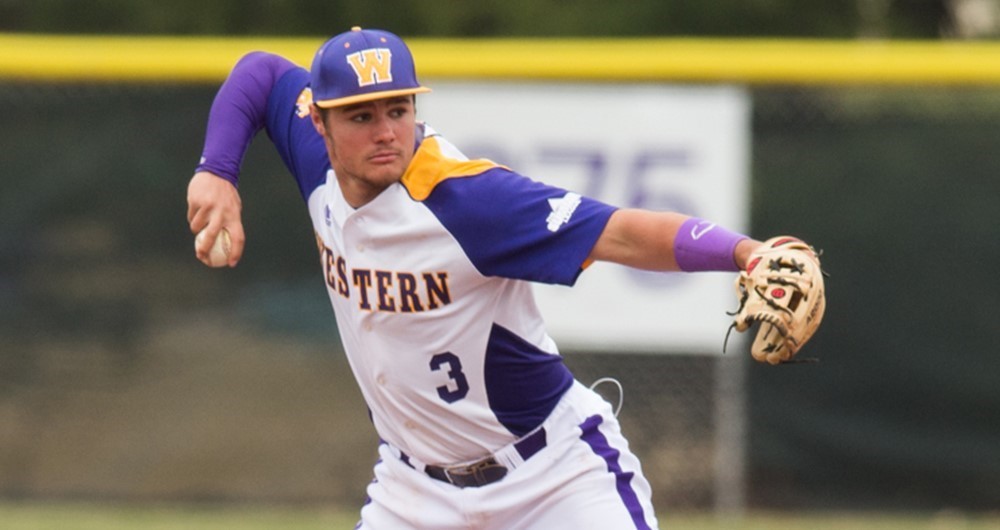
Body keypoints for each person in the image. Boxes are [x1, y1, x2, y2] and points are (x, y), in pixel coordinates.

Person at [187, 26, 765, 530]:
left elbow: (622, 232)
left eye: (398, 108)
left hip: (551, 478)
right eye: (361, 116)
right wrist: (217, 170)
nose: (386, 131)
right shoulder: (317, 163)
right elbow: (259, 72)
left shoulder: (467, 201)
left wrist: (745, 253)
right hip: (414, 491)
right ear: (318, 120)